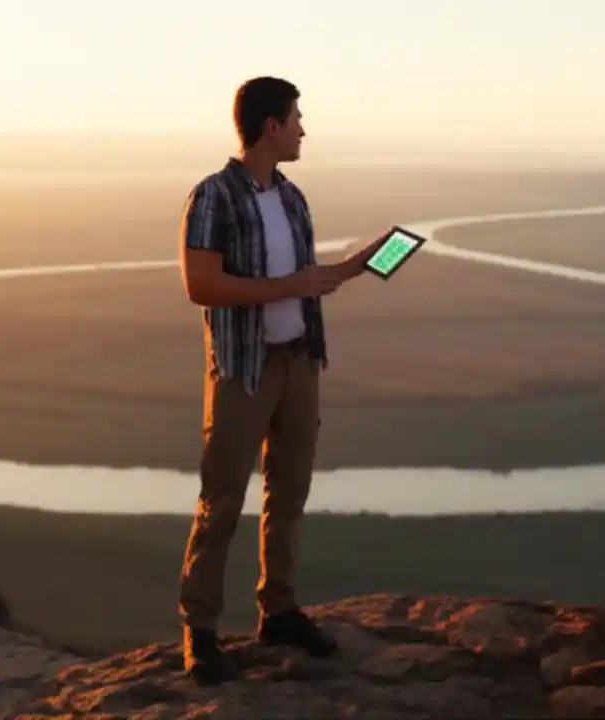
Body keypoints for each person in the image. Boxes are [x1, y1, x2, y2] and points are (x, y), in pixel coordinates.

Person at [176, 76, 384, 685]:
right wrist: (288, 287)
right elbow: (201, 286)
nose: (302, 129)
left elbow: (301, 281)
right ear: (271, 126)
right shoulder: (213, 197)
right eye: (296, 117)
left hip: (299, 363)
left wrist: (348, 269)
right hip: (244, 369)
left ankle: (280, 610)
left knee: (288, 494)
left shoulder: (292, 198)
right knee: (221, 503)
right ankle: (201, 631)